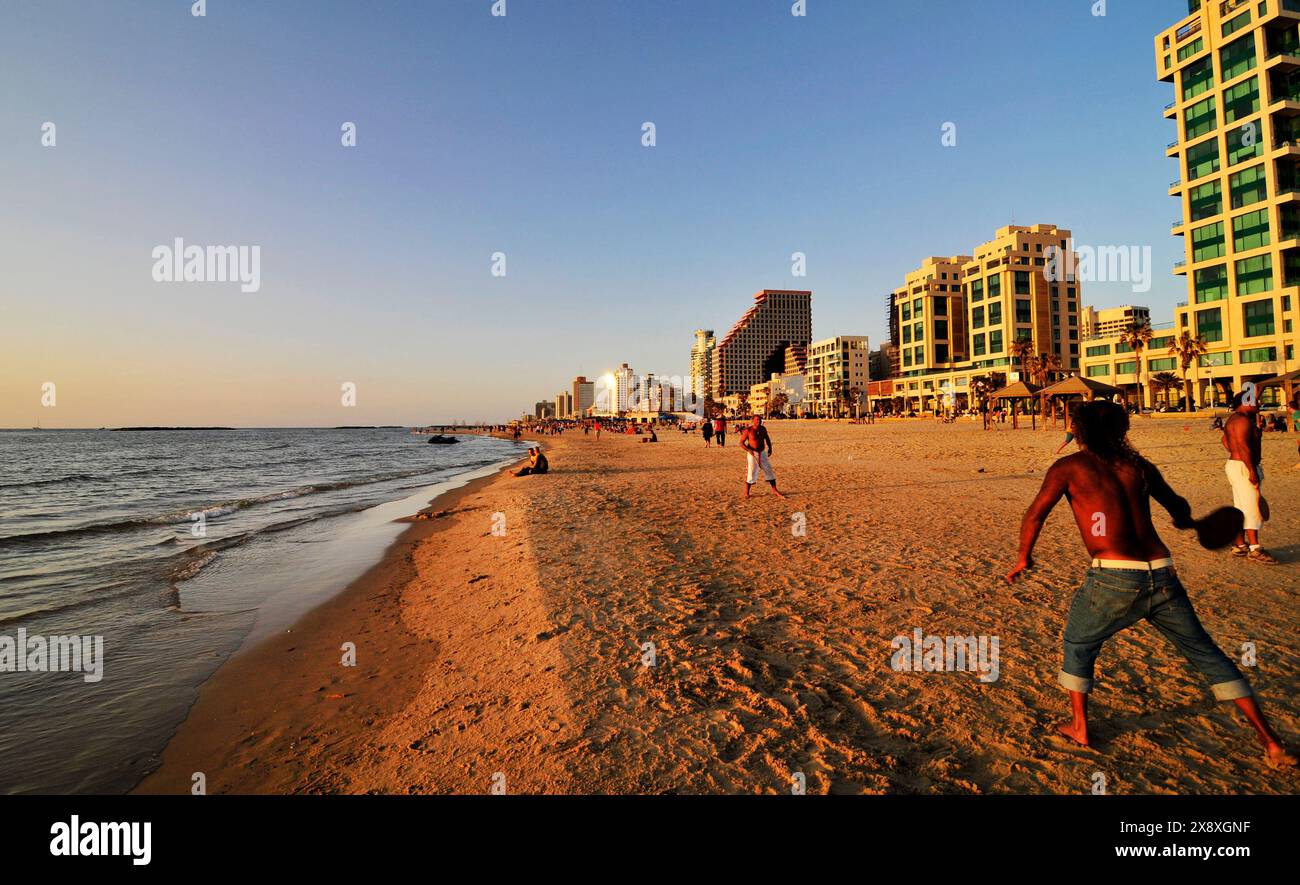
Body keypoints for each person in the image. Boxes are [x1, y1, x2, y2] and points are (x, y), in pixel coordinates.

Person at [1007, 401, 1294, 768]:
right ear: (1121, 430)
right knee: (1207, 655)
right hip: (1162, 572)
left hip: (1113, 575)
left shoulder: (1070, 467)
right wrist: (1189, 522)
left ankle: (1080, 726)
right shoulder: (1138, 467)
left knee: (1079, 643)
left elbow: (1035, 514)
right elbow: (1177, 507)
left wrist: (1023, 557)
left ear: (1080, 430)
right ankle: (1270, 741)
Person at [1222, 391, 1276, 563]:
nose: (1259, 403)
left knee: (1242, 506)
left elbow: (1224, 441)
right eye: (1255, 401)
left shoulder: (1236, 420)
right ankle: (1255, 548)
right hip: (1244, 466)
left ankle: (1240, 545)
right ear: (1245, 403)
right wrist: (1251, 470)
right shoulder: (1242, 421)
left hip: (1237, 465)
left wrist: (1236, 453)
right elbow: (1244, 447)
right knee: (1252, 507)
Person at [739, 415, 784, 499]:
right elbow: (741, 442)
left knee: (769, 470)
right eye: (756, 420)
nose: (758, 421)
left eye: (759, 419)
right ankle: (747, 492)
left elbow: (767, 439)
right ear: (753, 421)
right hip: (752, 453)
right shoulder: (748, 430)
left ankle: (775, 490)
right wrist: (748, 450)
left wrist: (770, 448)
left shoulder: (763, 429)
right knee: (751, 472)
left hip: (762, 452)